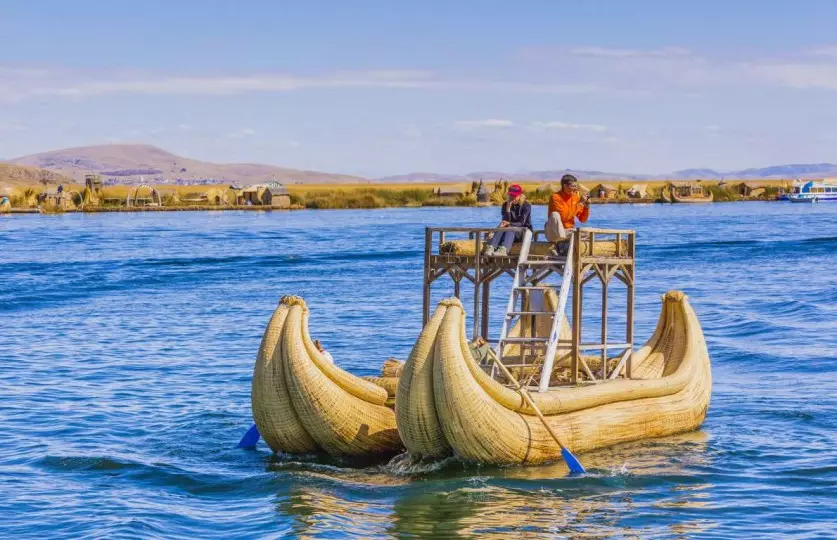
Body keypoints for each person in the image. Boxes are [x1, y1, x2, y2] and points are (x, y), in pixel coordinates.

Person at [484, 184, 532, 256]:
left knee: (510, 228)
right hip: (508, 232)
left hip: (523, 232)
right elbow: (505, 221)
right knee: (502, 227)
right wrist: (508, 209)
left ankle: (504, 250)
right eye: (510, 195)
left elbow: (522, 222)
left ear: (520, 196)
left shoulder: (526, 206)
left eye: (514, 196)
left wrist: (509, 224)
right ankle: (491, 247)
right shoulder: (505, 205)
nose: (512, 198)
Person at [545, 174, 590, 245]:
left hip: (568, 231)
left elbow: (582, 220)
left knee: (588, 234)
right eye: (573, 186)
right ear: (564, 186)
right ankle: (563, 240)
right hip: (556, 232)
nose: (575, 188)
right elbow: (564, 217)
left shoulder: (575, 197)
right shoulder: (556, 197)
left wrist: (586, 207)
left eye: (576, 186)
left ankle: (567, 241)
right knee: (555, 214)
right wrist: (580, 204)